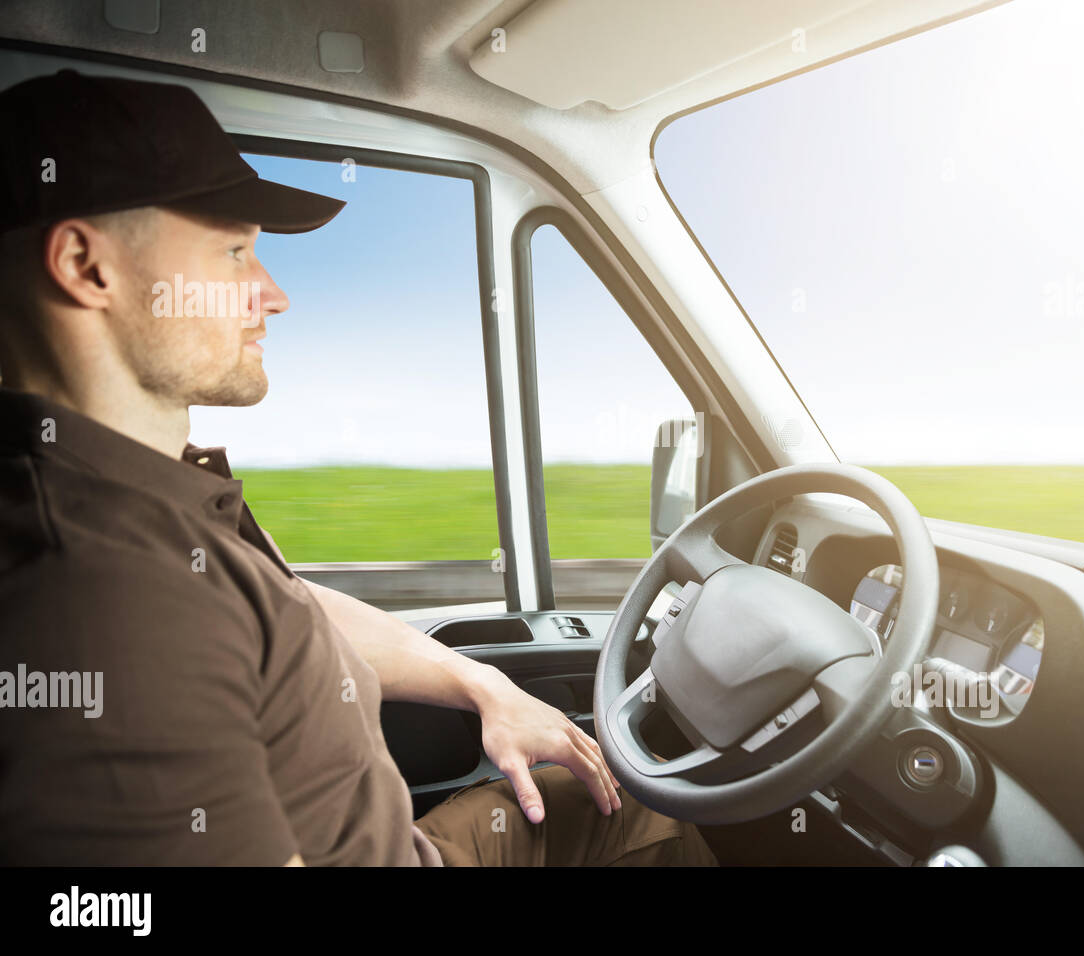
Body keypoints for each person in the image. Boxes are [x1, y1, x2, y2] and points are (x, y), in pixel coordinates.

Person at [0, 69, 716, 867]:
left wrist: (483, 686)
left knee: (630, 803)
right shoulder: (104, 603)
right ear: (86, 266)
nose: (273, 295)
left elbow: (290, 609)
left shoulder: (136, 497)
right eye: (234, 252)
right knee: (650, 817)